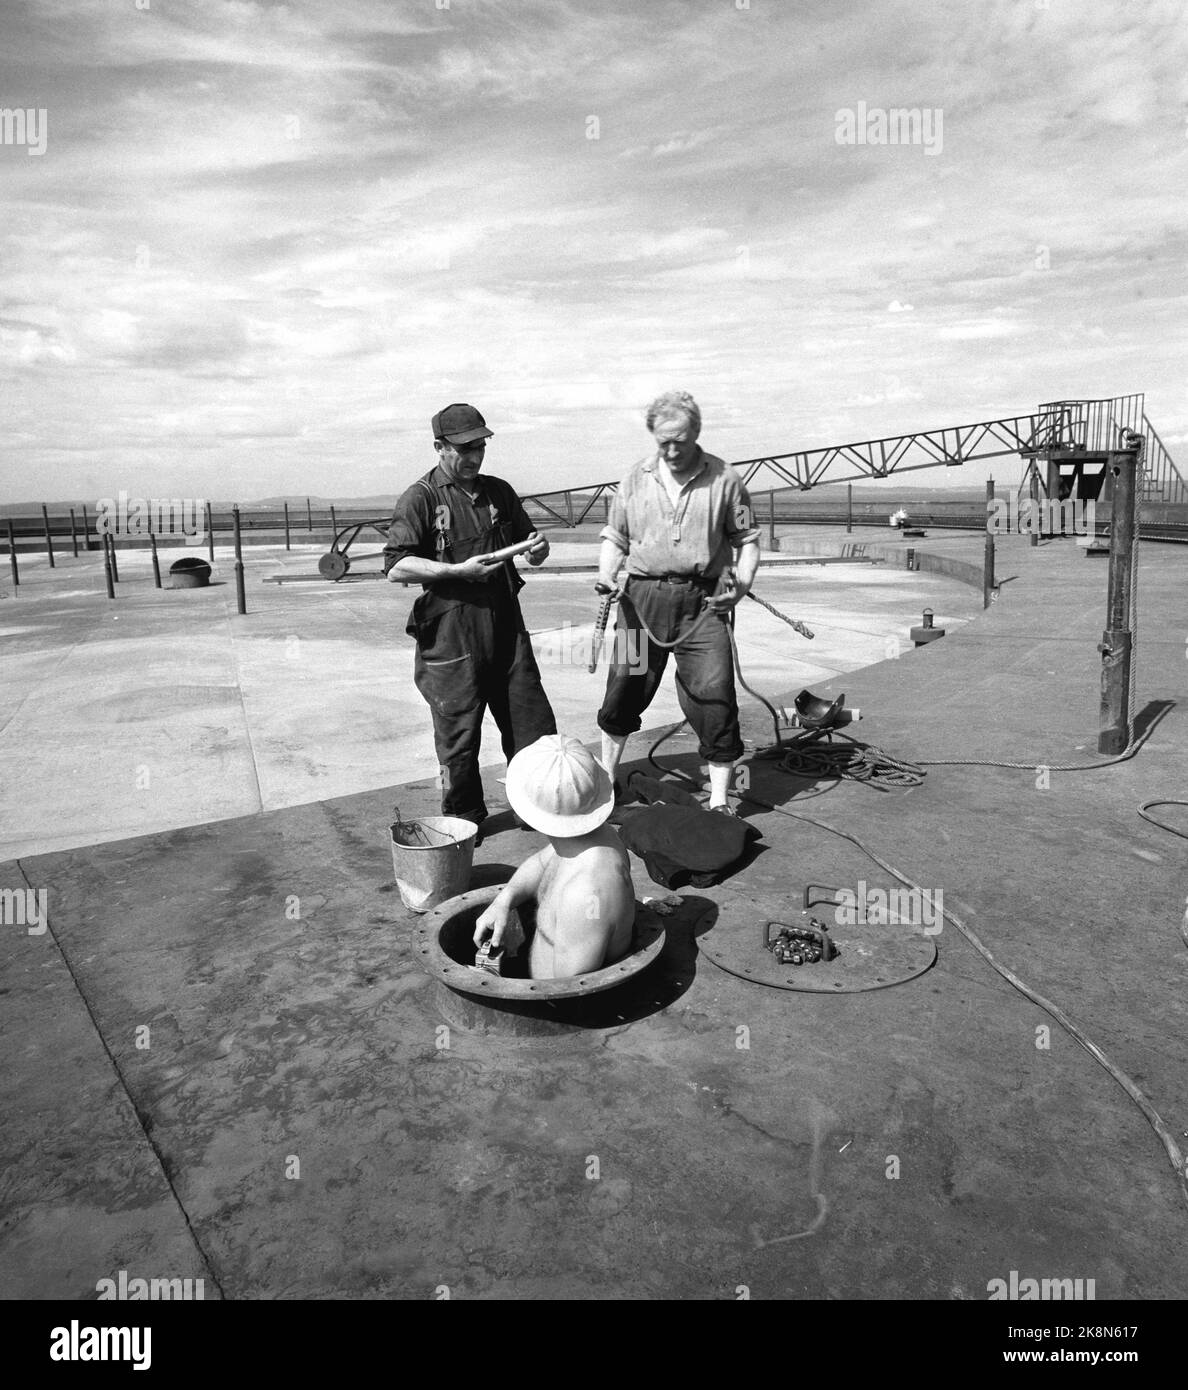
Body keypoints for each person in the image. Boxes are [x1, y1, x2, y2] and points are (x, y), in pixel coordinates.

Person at [383, 403, 556, 834]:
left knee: (531, 724)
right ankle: (464, 821)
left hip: (506, 625)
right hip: (449, 633)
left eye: (480, 446)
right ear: (440, 447)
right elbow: (396, 566)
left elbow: (531, 543)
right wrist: (455, 571)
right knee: (458, 737)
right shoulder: (421, 497)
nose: (475, 456)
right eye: (464, 448)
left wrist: (537, 550)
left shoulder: (500, 491)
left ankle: (534, 810)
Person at [596, 390, 761, 813]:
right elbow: (615, 538)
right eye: (662, 442)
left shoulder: (726, 479)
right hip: (639, 602)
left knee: (714, 693)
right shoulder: (634, 478)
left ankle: (721, 800)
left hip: (705, 604)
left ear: (697, 433)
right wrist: (605, 573)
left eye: (680, 441)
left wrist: (739, 586)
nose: (671, 451)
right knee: (623, 686)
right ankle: (607, 784)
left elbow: (748, 542)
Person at [473, 734, 635, 979]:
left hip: (553, 1011)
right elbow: (541, 863)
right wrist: (504, 900)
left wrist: (490, 987)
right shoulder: (585, 840)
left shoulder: (585, 896)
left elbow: (570, 989)